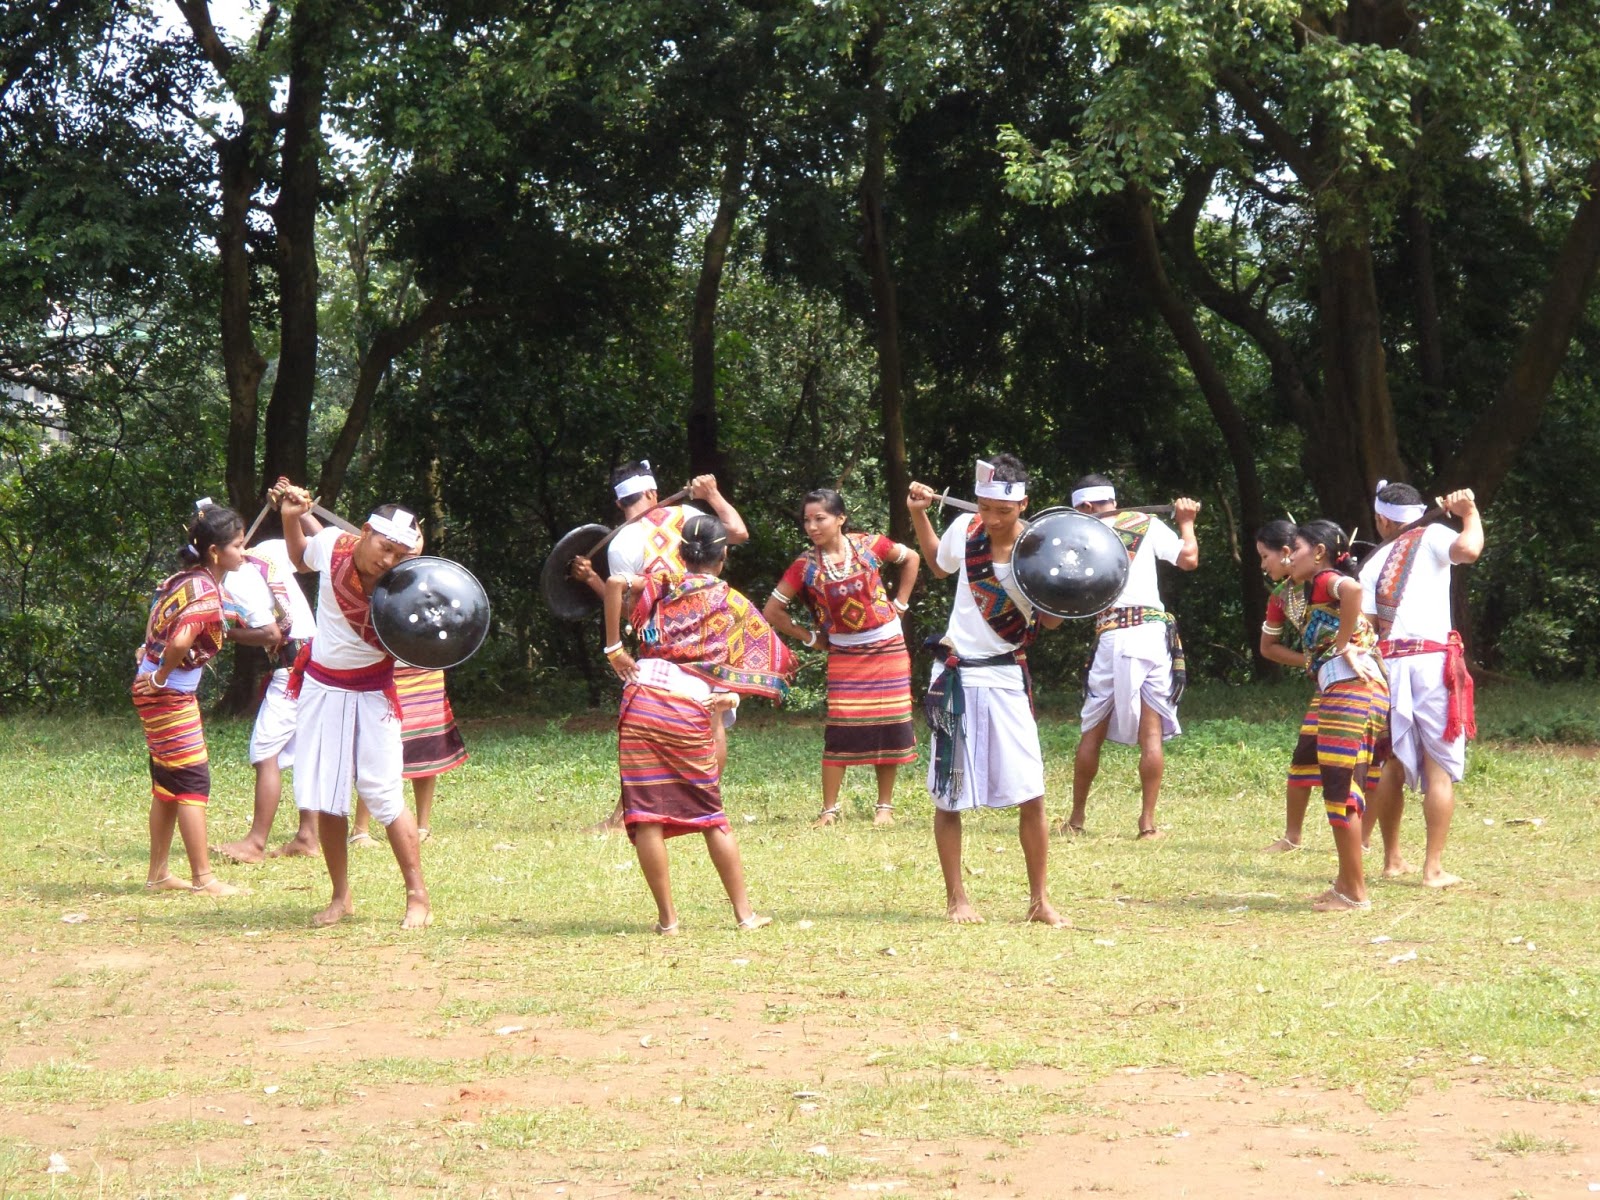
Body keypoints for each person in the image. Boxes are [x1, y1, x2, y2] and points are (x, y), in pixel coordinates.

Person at [602, 513, 797, 934]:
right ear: (722, 556)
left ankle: (668, 922)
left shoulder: (663, 583)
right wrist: (734, 693)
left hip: (640, 700)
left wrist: (614, 648)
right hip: (688, 708)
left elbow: (615, 583)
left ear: (681, 553)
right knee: (712, 815)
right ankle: (744, 916)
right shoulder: (732, 602)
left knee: (646, 816)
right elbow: (776, 660)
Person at [907, 456, 1069, 927]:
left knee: (1032, 791)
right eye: (985, 507)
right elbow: (939, 565)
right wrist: (918, 514)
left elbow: (1052, 622)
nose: (993, 518)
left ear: (1023, 504)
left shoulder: (1040, 547)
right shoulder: (966, 529)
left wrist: (1051, 585)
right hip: (955, 673)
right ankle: (956, 899)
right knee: (948, 792)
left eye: (1004, 510)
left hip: (1005, 676)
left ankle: (1039, 901)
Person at [278, 483, 431, 929]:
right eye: (385, 548)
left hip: (373, 693)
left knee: (384, 793)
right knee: (326, 795)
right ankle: (340, 896)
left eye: (399, 554)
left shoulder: (408, 583)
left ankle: (418, 896)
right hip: (321, 689)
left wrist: (410, 562)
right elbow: (299, 557)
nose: (388, 560)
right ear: (365, 532)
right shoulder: (331, 545)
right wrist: (289, 517)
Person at [573, 460, 751, 830]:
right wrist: (712, 494)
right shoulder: (689, 516)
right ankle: (706, 805)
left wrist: (593, 582)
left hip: (660, 642)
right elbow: (737, 532)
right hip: (710, 633)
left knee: (647, 732)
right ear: (653, 492)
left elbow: (627, 608)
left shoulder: (623, 542)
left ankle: (625, 815)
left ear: (620, 503)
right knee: (712, 718)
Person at [762, 489, 920, 826]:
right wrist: (810, 638)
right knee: (840, 725)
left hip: (888, 646)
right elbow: (772, 611)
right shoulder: (804, 566)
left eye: (819, 518)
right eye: (807, 520)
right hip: (844, 652)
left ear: (840, 519)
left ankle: (885, 807)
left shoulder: (870, 545)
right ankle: (829, 810)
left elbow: (912, 558)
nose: (812, 526)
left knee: (889, 724)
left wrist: (901, 605)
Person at [1257, 520, 1389, 912]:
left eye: (1291, 549)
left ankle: (1354, 894)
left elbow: (1353, 590)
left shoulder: (1322, 579)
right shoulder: (1296, 589)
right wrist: (1318, 659)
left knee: (1341, 788)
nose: (1282, 558)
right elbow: (1270, 647)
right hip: (1351, 685)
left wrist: (1343, 643)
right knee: (1342, 784)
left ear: (1317, 552)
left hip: (1350, 686)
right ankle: (1345, 885)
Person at [1359, 483, 1483, 887]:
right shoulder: (1432, 535)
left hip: (1389, 664)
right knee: (1438, 769)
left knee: (1391, 763)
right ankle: (1433, 869)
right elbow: (1470, 550)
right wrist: (1469, 513)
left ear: (1382, 519)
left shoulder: (1372, 563)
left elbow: (1368, 627)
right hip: (1432, 663)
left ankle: (1392, 860)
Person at [1065, 475, 1200, 840]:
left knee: (1092, 730)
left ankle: (1076, 819)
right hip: (1150, 634)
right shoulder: (1145, 523)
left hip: (1111, 634)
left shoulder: (1076, 538)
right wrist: (1187, 522)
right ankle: (1147, 824)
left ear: (1086, 506)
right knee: (1150, 732)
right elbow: (1189, 559)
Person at [132, 503, 246, 897]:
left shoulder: (183, 579)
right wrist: (161, 677)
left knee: (168, 782)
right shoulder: (206, 593)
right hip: (167, 694)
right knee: (193, 782)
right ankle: (204, 878)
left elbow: (155, 621)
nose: (244, 551)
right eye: (238, 545)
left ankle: (158, 875)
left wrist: (149, 659)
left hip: (155, 688)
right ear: (215, 552)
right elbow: (181, 641)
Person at [216, 530, 322, 863]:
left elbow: (271, 633)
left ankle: (255, 843)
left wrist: (222, 633)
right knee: (307, 750)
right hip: (317, 660)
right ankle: (308, 836)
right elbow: (311, 553)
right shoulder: (270, 550)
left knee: (265, 752)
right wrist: (299, 514)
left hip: (294, 668)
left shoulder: (236, 579)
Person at [1253, 519, 1318, 854]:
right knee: (1305, 755)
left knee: (1362, 761)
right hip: (1326, 681)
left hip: (1359, 679)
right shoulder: (1281, 596)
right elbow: (1268, 648)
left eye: (1265, 557)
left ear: (1286, 552)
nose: (1263, 565)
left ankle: (1364, 842)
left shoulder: (1331, 581)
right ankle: (1292, 837)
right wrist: (1310, 661)